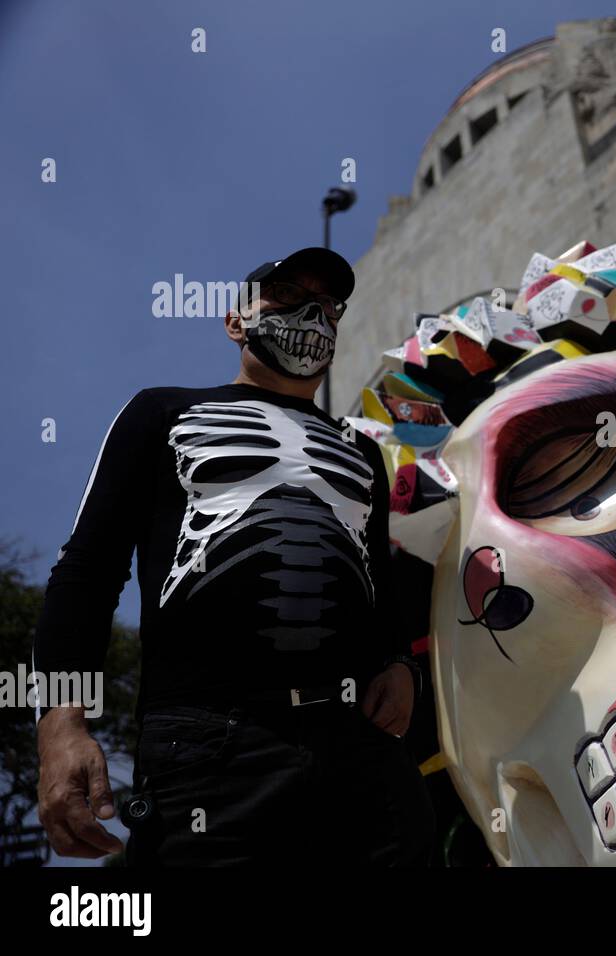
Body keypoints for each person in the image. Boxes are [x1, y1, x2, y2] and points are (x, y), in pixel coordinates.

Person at [33, 248, 436, 865]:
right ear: (235, 321)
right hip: (207, 747)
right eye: (286, 298)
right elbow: (87, 569)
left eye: (327, 306)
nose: (311, 315)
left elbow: (377, 579)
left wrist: (399, 663)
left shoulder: (361, 452)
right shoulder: (162, 412)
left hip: (362, 749)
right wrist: (61, 724)